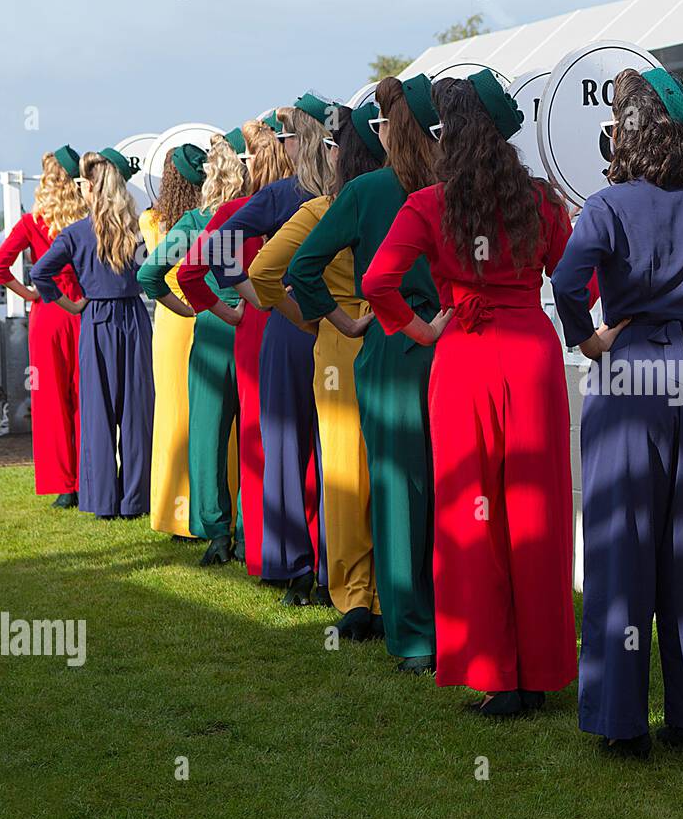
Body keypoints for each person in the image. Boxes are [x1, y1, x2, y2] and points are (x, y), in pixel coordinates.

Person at [362, 71, 576, 714]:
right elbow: (574, 279)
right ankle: (538, 672)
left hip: (464, 361)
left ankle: (495, 673)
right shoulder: (540, 200)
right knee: (535, 513)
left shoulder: (428, 203)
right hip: (533, 359)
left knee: (472, 512)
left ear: (447, 135)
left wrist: (425, 330)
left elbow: (378, 282)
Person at [551, 67, 683, 757]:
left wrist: (588, 338)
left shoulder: (608, 204)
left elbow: (566, 280)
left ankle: (621, 721)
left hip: (628, 375)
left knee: (621, 542)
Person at [288, 76, 442, 664]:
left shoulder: (366, 191)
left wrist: (347, 320)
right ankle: (453, 619)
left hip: (388, 346)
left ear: (383, 130)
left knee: (397, 494)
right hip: (448, 343)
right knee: (450, 491)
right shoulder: (450, 186)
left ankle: (412, 636)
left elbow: (302, 268)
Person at [247, 102, 385, 640]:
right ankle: (401, 590)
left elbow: (262, 276)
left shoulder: (323, 210)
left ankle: (356, 596)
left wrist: (314, 322)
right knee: (397, 470)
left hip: (341, 343)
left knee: (346, 473)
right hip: (402, 338)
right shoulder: (406, 201)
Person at [202, 94, 335, 603]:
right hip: (339, 325)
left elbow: (216, 244)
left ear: (298, 141)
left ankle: (294, 568)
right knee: (332, 446)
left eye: (286, 136)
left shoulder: (284, 195)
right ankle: (329, 568)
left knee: (285, 443)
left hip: (289, 324)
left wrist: (258, 296)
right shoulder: (342, 192)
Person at [176, 117, 291, 578]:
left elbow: (185, 273)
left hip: (251, 324)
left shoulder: (231, 214)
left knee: (235, 436)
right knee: (280, 439)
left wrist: (227, 306)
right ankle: (264, 541)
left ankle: (225, 534)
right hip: (305, 325)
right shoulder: (311, 203)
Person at [138, 131, 246, 564]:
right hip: (256, 325)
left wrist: (189, 309)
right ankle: (255, 532)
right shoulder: (259, 214)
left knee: (207, 437)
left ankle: (217, 533)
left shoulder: (195, 223)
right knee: (258, 434)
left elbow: (148, 277)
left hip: (211, 329)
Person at [30, 148, 155, 518]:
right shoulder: (136, 228)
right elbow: (154, 271)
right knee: (136, 412)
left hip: (95, 319)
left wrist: (69, 304)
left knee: (98, 413)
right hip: (133, 318)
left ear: (91, 188)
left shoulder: (76, 233)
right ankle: (135, 500)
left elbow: (39, 273)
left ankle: (101, 500)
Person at [0, 145, 86, 507]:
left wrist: (29, 294)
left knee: (49, 402)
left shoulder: (32, 222)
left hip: (46, 313)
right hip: (81, 310)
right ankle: (91, 475)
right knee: (83, 397)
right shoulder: (85, 219)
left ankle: (64, 485)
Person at [139, 144, 207, 540]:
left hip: (171, 319)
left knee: (171, 416)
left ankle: (171, 511)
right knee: (205, 415)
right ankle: (205, 506)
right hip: (203, 310)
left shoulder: (154, 222)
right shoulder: (207, 220)